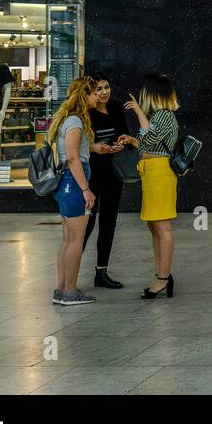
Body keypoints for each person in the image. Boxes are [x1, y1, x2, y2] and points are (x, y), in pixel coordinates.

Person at [126, 74, 181, 299]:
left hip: (160, 172)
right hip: (152, 171)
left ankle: (163, 278)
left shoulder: (164, 115)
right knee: (155, 226)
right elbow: (148, 142)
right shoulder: (158, 116)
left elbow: (149, 140)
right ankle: (161, 274)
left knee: (161, 226)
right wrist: (132, 141)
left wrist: (139, 113)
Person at [83, 76, 136, 289]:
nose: (104, 92)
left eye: (106, 87)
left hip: (114, 171)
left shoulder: (115, 107)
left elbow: (124, 133)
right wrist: (95, 148)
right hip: (92, 173)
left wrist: (121, 143)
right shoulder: (85, 112)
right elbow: (77, 144)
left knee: (108, 221)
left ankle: (101, 272)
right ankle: (71, 271)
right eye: (98, 89)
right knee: (86, 223)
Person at [49, 77, 97, 306]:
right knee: (76, 240)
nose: (98, 96)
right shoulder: (75, 121)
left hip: (65, 183)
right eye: (94, 93)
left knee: (68, 239)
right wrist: (85, 189)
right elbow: (72, 157)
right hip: (73, 182)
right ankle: (70, 291)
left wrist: (93, 148)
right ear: (84, 95)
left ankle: (61, 289)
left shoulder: (65, 119)